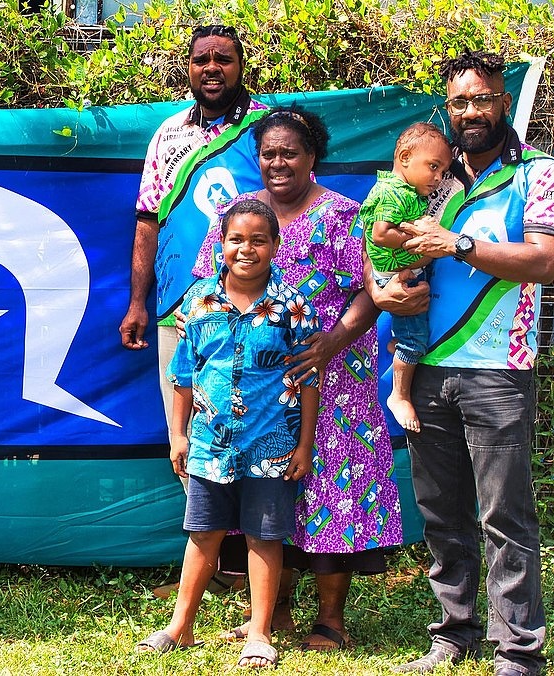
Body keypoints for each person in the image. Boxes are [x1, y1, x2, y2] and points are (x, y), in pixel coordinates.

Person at [193, 107, 406, 651]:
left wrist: (333, 340)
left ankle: (330, 619)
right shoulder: (238, 215)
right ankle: (274, 612)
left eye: (290, 152)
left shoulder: (344, 216)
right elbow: (209, 288)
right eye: (268, 153)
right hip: (258, 390)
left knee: (334, 493)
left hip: (335, 382)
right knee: (268, 491)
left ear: (313, 157)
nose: (278, 162)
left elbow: (373, 289)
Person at [387, 50, 554, 676]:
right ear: (448, 109)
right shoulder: (432, 174)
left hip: (499, 370)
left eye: (483, 99)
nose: (471, 111)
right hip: (426, 366)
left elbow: (545, 261)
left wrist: (458, 244)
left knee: (504, 515)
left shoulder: (536, 173)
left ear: (504, 102)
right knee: (441, 512)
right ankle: (453, 633)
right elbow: (385, 243)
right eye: (459, 102)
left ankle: (518, 651)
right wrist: (384, 288)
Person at [136, 199, 319, 670]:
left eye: (259, 240)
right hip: (209, 445)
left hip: (272, 446)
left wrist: (303, 445)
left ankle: (259, 632)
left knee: (264, 537)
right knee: (203, 533)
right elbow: (183, 375)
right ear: (221, 244)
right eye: (236, 239)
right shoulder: (198, 302)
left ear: (275, 245)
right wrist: (178, 436)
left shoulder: (293, 306)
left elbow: (309, 379)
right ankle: (180, 627)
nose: (246, 249)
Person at [119, 24, 268, 423]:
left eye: (223, 59)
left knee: (253, 432)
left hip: (253, 311)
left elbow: (296, 212)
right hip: (177, 310)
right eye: (201, 59)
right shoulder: (168, 133)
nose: (211, 67)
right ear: (189, 67)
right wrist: (137, 303)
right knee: (182, 439)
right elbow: (148, 220)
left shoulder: (267, 130)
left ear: (241, 67)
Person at [357, 123, 452, 433]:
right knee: (415, 342)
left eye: (443, 171)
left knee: (412, 332)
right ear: (405, 157)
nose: (438, 178)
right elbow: (380, 234)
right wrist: (418, 240)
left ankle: (401, 342)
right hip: (398, 276)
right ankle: (398, 395)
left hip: (400, 270)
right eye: (433, 167)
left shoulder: (403, 190)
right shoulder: (394, 193)